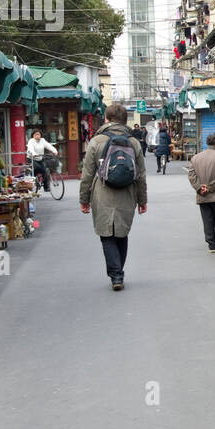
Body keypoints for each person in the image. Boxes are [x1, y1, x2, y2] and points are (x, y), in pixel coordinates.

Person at [80, 102, 148, 291]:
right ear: (125, 121)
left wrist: (83, 199)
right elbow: (141, 174)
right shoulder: (134, 142)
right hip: (128, 193)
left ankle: (116, 275)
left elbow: (87, 174)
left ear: (107, 119)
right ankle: (118, 272)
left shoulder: (96, 141)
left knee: (106, 234)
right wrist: (143, 200)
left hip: (102, 193)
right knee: (121, 233)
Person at [188, 132, 215, 252]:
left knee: (207, 221)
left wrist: (199, 187)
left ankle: (212, 245)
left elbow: (191, 175)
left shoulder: (195, 158)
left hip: (202, 196)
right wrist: (210, 187)